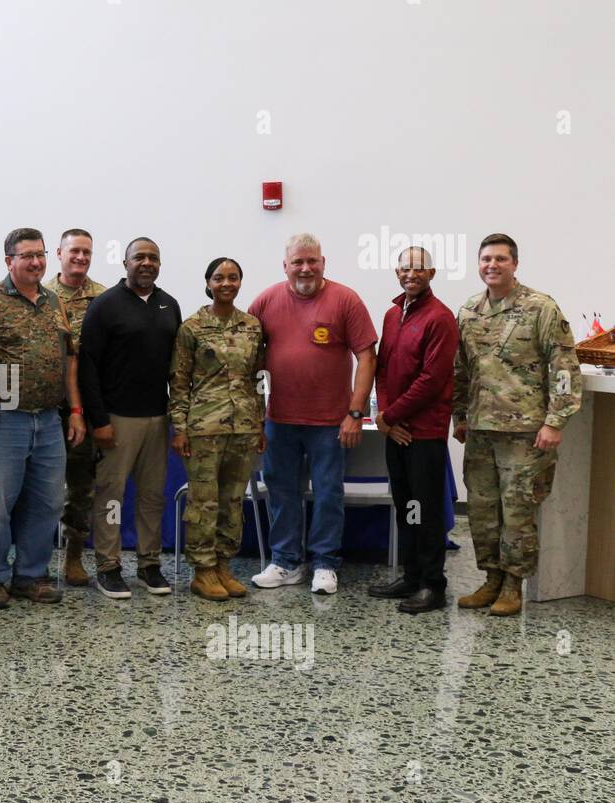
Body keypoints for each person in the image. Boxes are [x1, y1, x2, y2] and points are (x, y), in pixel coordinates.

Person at [452, 233, 582, 616]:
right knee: (482, 509)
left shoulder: (540, 308)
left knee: (518, 511)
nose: (492, 265)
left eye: (500, 259)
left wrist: (555, 421)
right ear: (479, 264)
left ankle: (513, 585)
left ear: (515, 264)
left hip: (526, 432)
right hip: (480, 430)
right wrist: (459, 416)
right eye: (486, 259)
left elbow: (564, 367)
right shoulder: (468, 311)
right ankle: (491, 578)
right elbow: (461, 370)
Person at [248, 233, 377, 595]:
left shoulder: (345, 299)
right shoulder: (266, 300)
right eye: (297, 262)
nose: (305, 268)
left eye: (312, 261)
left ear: (323, 263)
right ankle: (286, 561)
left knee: (328, 492)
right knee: (282, 491)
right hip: (280, 420)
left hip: (330, 422)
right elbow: (245, 352)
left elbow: (367, 357)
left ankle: (324, 563)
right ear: (285, 265)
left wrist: (356, 412)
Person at [0, 228, 84, 608]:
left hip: (49, 419)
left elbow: (68, 361)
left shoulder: (54, 301)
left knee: (48, 501)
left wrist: (76, 410)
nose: (36, 262)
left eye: (40, 254)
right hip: (2, 418)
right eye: (27, 256)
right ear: (9, 261)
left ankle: (31, 575)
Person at [77, 236, 180, 599]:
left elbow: (175, 369)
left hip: (157, 418)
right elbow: (87, 367)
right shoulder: (105, 306)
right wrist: (99, 420)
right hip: (116, 419)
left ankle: (150, 565)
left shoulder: (170, 306)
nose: (147, 263)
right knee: (111, 497)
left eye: (153, 257)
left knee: (153, 496)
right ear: (125, 263)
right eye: (139, 257)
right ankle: (108, 566)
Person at [367, 247, 458, 614]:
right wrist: (387, 414)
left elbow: (432, 380)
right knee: (407, 506)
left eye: (419, 269)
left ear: (432, 273)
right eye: (405, 268)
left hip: (424, 433)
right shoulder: (392, 315)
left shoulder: (441, 318)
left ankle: (433, 586)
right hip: (398, 430)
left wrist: (392, 417)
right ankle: (412, 574)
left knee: (426, 508)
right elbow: (382, 368)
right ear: (396, 271)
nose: (411, 274)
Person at [169, 258, 265, 601]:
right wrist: (179, 428)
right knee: (204, 502)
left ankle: (224, 565)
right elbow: (178, 382)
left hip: (243, 429)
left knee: (233, 500)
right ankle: (203, 571)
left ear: (240, 282)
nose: (227, 283)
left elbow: (258, 379)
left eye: (233, 277)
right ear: (208, 283)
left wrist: (260, 423)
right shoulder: (192, 327)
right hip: (203, 427)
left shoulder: (253, 326)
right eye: (219, 278)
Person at [45, 228, 105, 586]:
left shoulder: (104, 297)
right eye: (74, 252)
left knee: (81, 487)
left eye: (87, 252)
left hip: (85, 404)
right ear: (59, 253)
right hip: (46, 405)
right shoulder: (41, 294)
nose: (80, 258)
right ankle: (27, 559)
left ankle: (73, 557)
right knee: (35, 488)